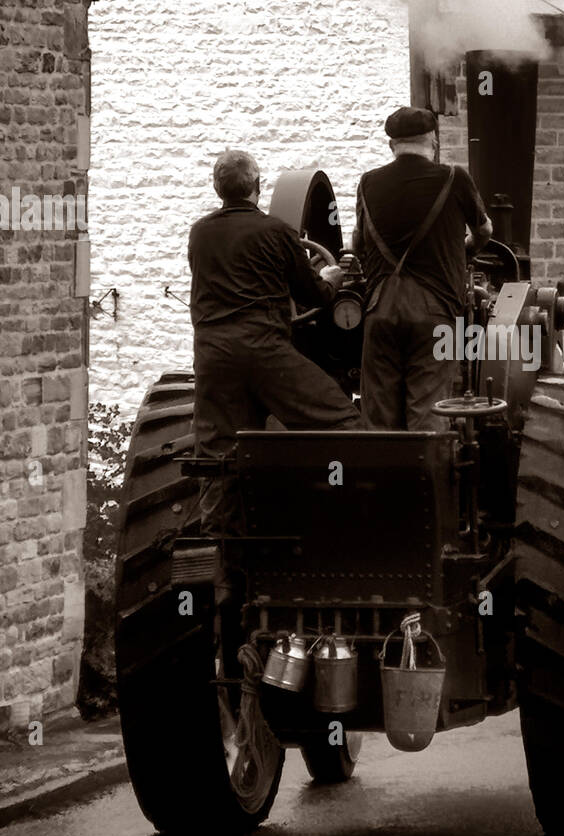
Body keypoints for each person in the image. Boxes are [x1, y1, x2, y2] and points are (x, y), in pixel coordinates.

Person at [189, 148, 359, 534]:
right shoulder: (277, 232)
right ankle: (346, 521)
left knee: (217, 459)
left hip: (213, 358)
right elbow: (313, 293)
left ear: (218, 189)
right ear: (257, 186)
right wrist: (332, 277)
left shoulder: (200, 232)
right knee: (342, 421)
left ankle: (223, 565)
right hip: (265, 352)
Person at [352, 107, 493, 429]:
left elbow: (357, 243)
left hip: (379, 308)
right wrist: (464, 251)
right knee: (430, 412)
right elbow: (484, 231)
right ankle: (429, 476)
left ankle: (382, 478)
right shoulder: (455, 178)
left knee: (378, 417)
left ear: (392, 145)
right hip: (435, 311)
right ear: (433, 141)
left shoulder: (368, 183)